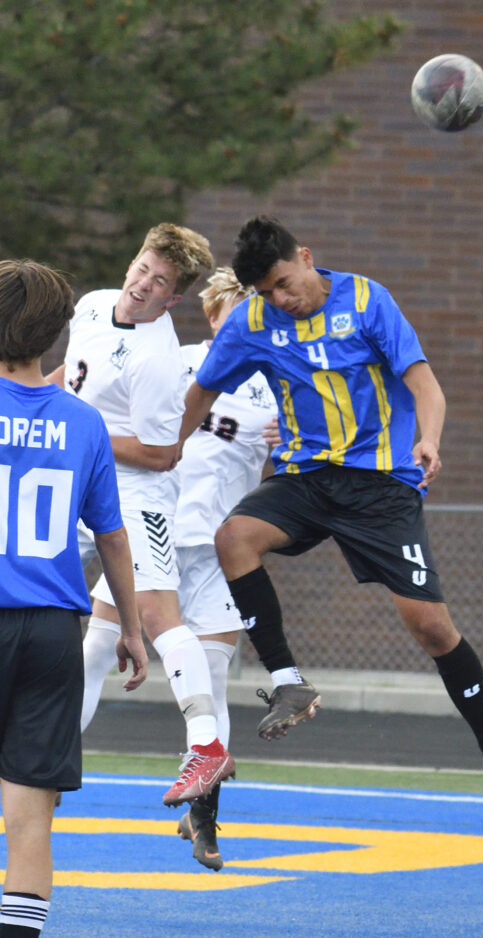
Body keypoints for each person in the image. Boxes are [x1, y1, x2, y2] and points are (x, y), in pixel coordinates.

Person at [179, 215, 483, 834]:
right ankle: (288, 681)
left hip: (381, 486)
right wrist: (166, 453)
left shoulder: (367, 299)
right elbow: (200, 395)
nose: (281, 300)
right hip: (307, 478)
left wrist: (429, 439)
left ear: (308, 258)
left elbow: (425, 384)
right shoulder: (252, 322)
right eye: (267, 292)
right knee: (234, 537)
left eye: (286, 284)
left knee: (431, 628)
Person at [47, 224, 234, 808]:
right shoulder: (94, 305)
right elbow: (68, 378)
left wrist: (83, 430)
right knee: (99, 643)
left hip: (135, 496)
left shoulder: (157, 359)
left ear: (173, 298)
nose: (142, 285)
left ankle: (206, 745)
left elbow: (162, 454)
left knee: (153, 613)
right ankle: (51, 753)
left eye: (159, 282)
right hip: (80, 482)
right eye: (142, 269)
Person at [0, 259, 147, 938]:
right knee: (31, 813)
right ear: (55, 334)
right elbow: (113, 539)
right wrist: (134, 628)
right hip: (54, 630)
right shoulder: (83, 423)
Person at [174, 268, 278, 870]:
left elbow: (302, 453)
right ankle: (37, 783)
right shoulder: (182, 363)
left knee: (213, 682)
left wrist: (289, 437)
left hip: (218, 550)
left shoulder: (274, 385)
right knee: (91, 653)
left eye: (248, 315)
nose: (236, 325)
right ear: (212, 317)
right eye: (226, 314)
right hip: (154, 537)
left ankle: (205, 817)